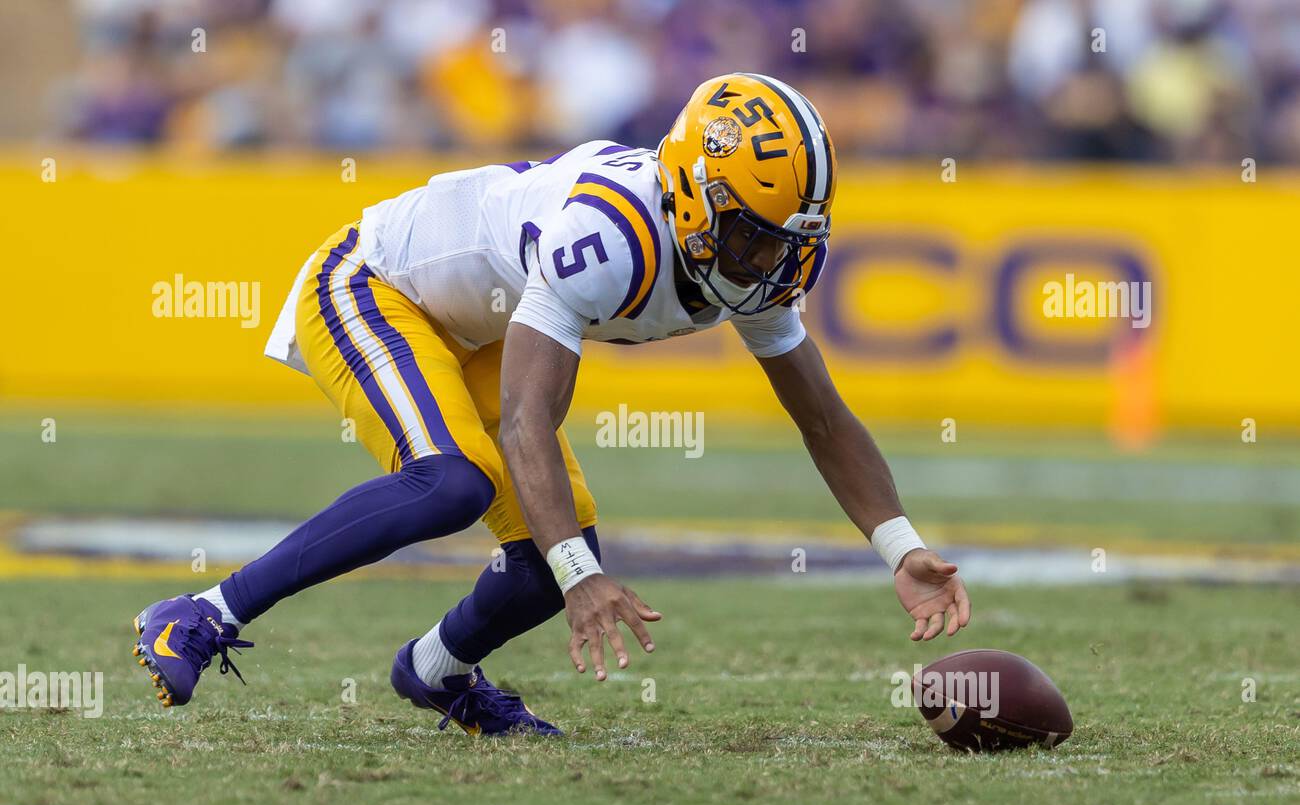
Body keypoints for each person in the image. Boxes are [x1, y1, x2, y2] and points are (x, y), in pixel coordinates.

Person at [130, 73, 971, 735]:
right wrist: (586, 579)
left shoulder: (740, 259)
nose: (768, 263)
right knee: (454, 485)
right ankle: (199, 614)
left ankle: (436, 671)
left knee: (547, 556)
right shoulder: (608, 237)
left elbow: (822, 417)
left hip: (480, 323)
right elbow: (531, 419)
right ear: (690, 196)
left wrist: (900, 547)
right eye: (753, 235)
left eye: (786, 241)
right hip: (374, 284)